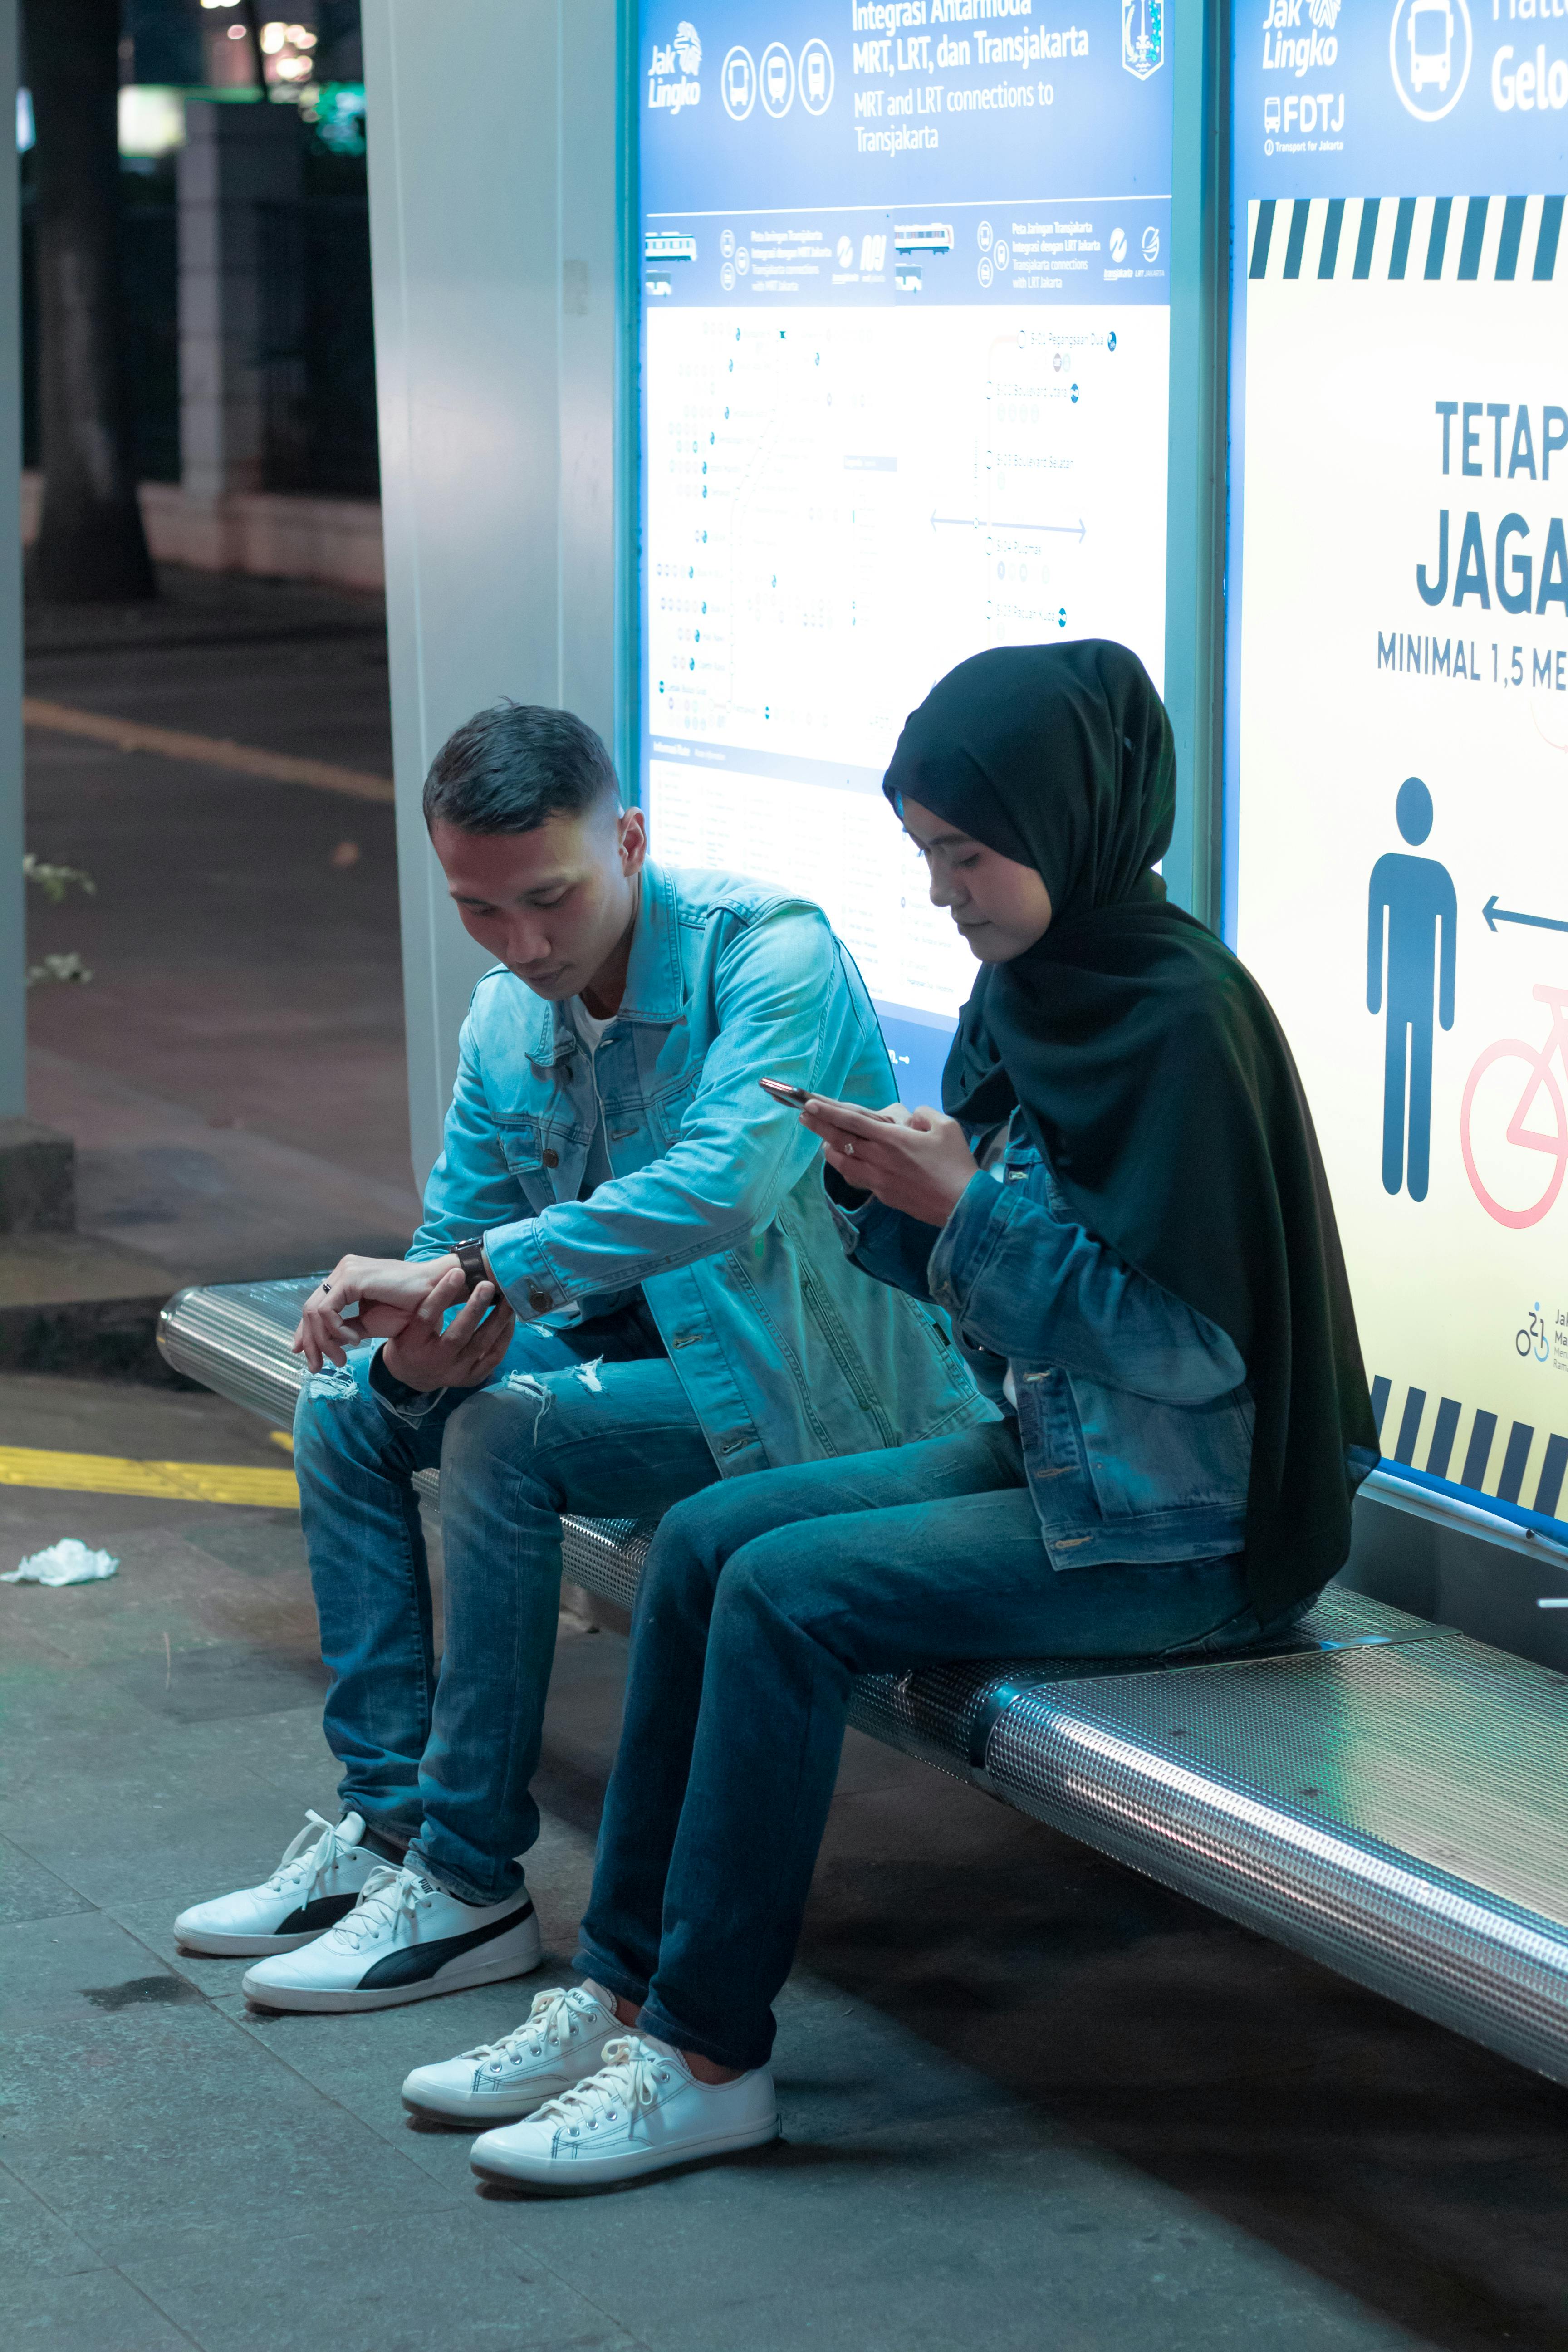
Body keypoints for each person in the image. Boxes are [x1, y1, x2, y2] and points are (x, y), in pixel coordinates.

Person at [437, 642, 1378, 2195]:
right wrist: (902, 1194)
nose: (946, 892)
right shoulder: (1034, 991)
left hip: (1197, 1529)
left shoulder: (1180, 1016)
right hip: (1066, 1469)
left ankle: (708, 2053)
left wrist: (967, 1209)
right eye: (928, 855)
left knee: (792, 1592)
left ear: (1074, 820)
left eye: (968, 852)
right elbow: (999, 1282)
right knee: (711, 1538)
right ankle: (620, 1990)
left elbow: (1200, 1354)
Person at [172, 702, 984, 2011]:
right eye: (482, 913)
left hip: (818, 1399)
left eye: (550, 899)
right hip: (638, 1379)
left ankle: (469, 1880)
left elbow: (722, 1185)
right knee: (347, 1413)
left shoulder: (770, 953)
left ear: (632, 840)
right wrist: (408, 1353)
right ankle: (390, 1831)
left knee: (513, 1429)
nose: (526, 944)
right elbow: (454, 1243)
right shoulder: (509, 1020)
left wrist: (485, 1277)